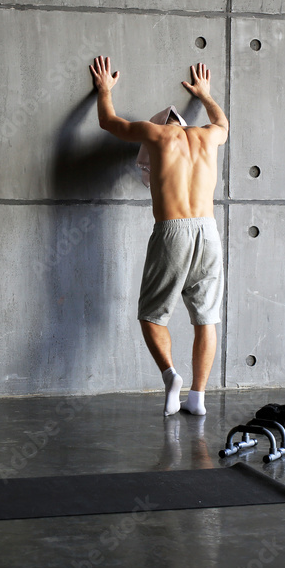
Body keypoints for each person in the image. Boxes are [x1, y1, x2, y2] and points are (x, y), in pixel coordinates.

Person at [89, 57, 229, 416]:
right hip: (209, 232)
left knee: (152, 315)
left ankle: (171, 376)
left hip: (173, 230)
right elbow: (222, 122)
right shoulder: (207, 136)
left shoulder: (156, 134)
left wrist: (105, 90)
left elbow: (109, 121)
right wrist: (206, 95)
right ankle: (198, 397)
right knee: (206, 317)